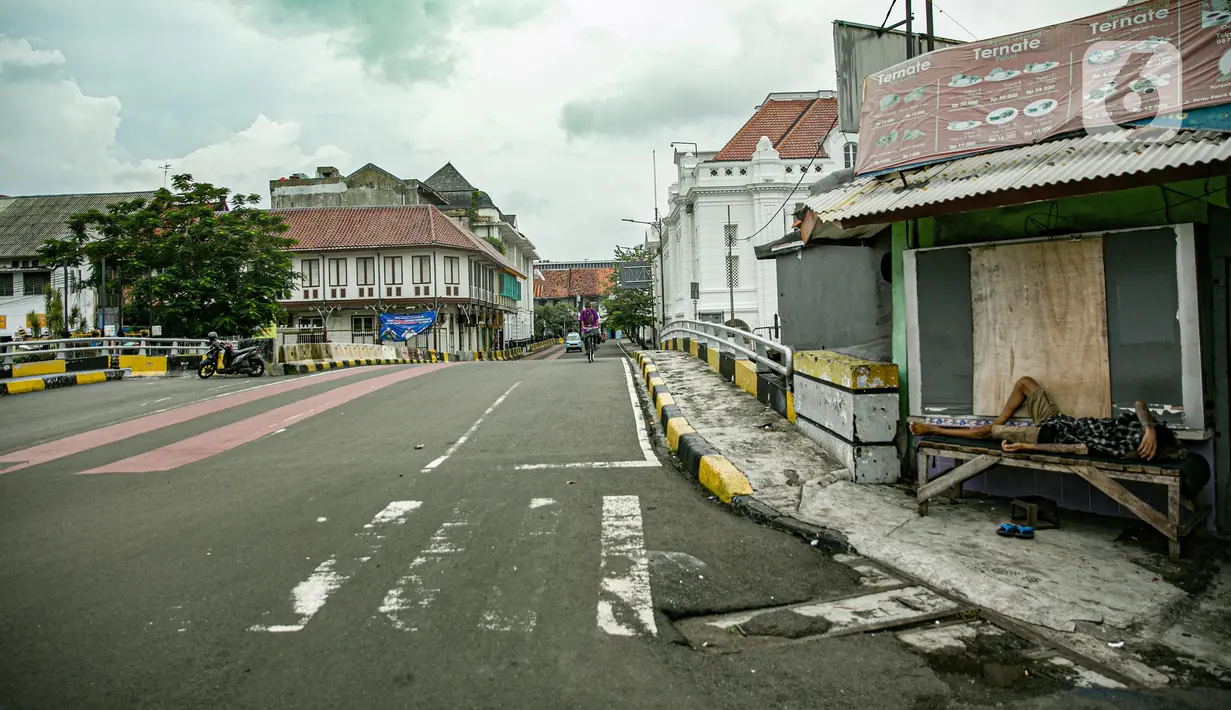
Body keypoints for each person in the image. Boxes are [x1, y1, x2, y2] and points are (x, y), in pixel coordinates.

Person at [908, 376, 1181, 461]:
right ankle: (996, 424)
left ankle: (931, 428)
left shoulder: (1131, 452)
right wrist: (1149, 428)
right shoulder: (1143, 430)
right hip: (1061, 420)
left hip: (1049, 436)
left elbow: (1077, 449)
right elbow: (1140, 404)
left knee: (985, 435)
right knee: (1025, 383)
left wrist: (1029, 447)